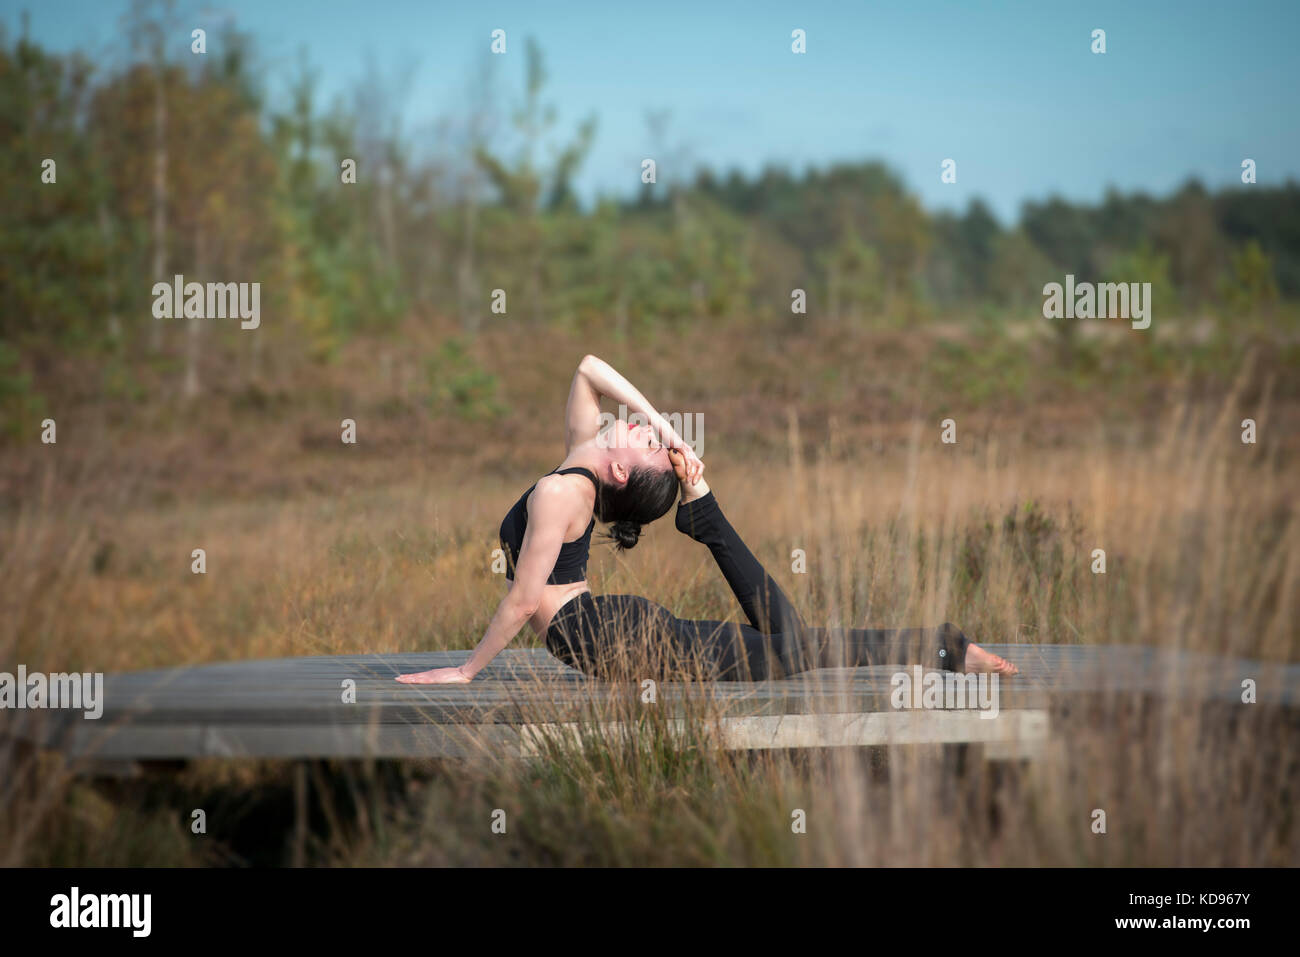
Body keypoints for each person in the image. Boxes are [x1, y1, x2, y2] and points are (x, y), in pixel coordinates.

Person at [395, 355, 1017, 684]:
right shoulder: (571, 477)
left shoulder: (571, 481)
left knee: (793, 650)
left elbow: (521, 601)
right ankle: (943, 647)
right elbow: (589, 367)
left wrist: (465, 670)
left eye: (649, 440)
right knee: (792, 648)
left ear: (616, 471)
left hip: (608, 633)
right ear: (617, 470)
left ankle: (944, 648)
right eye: (647, 437)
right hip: (599, 632)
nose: (648, 433)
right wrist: (467, 671)